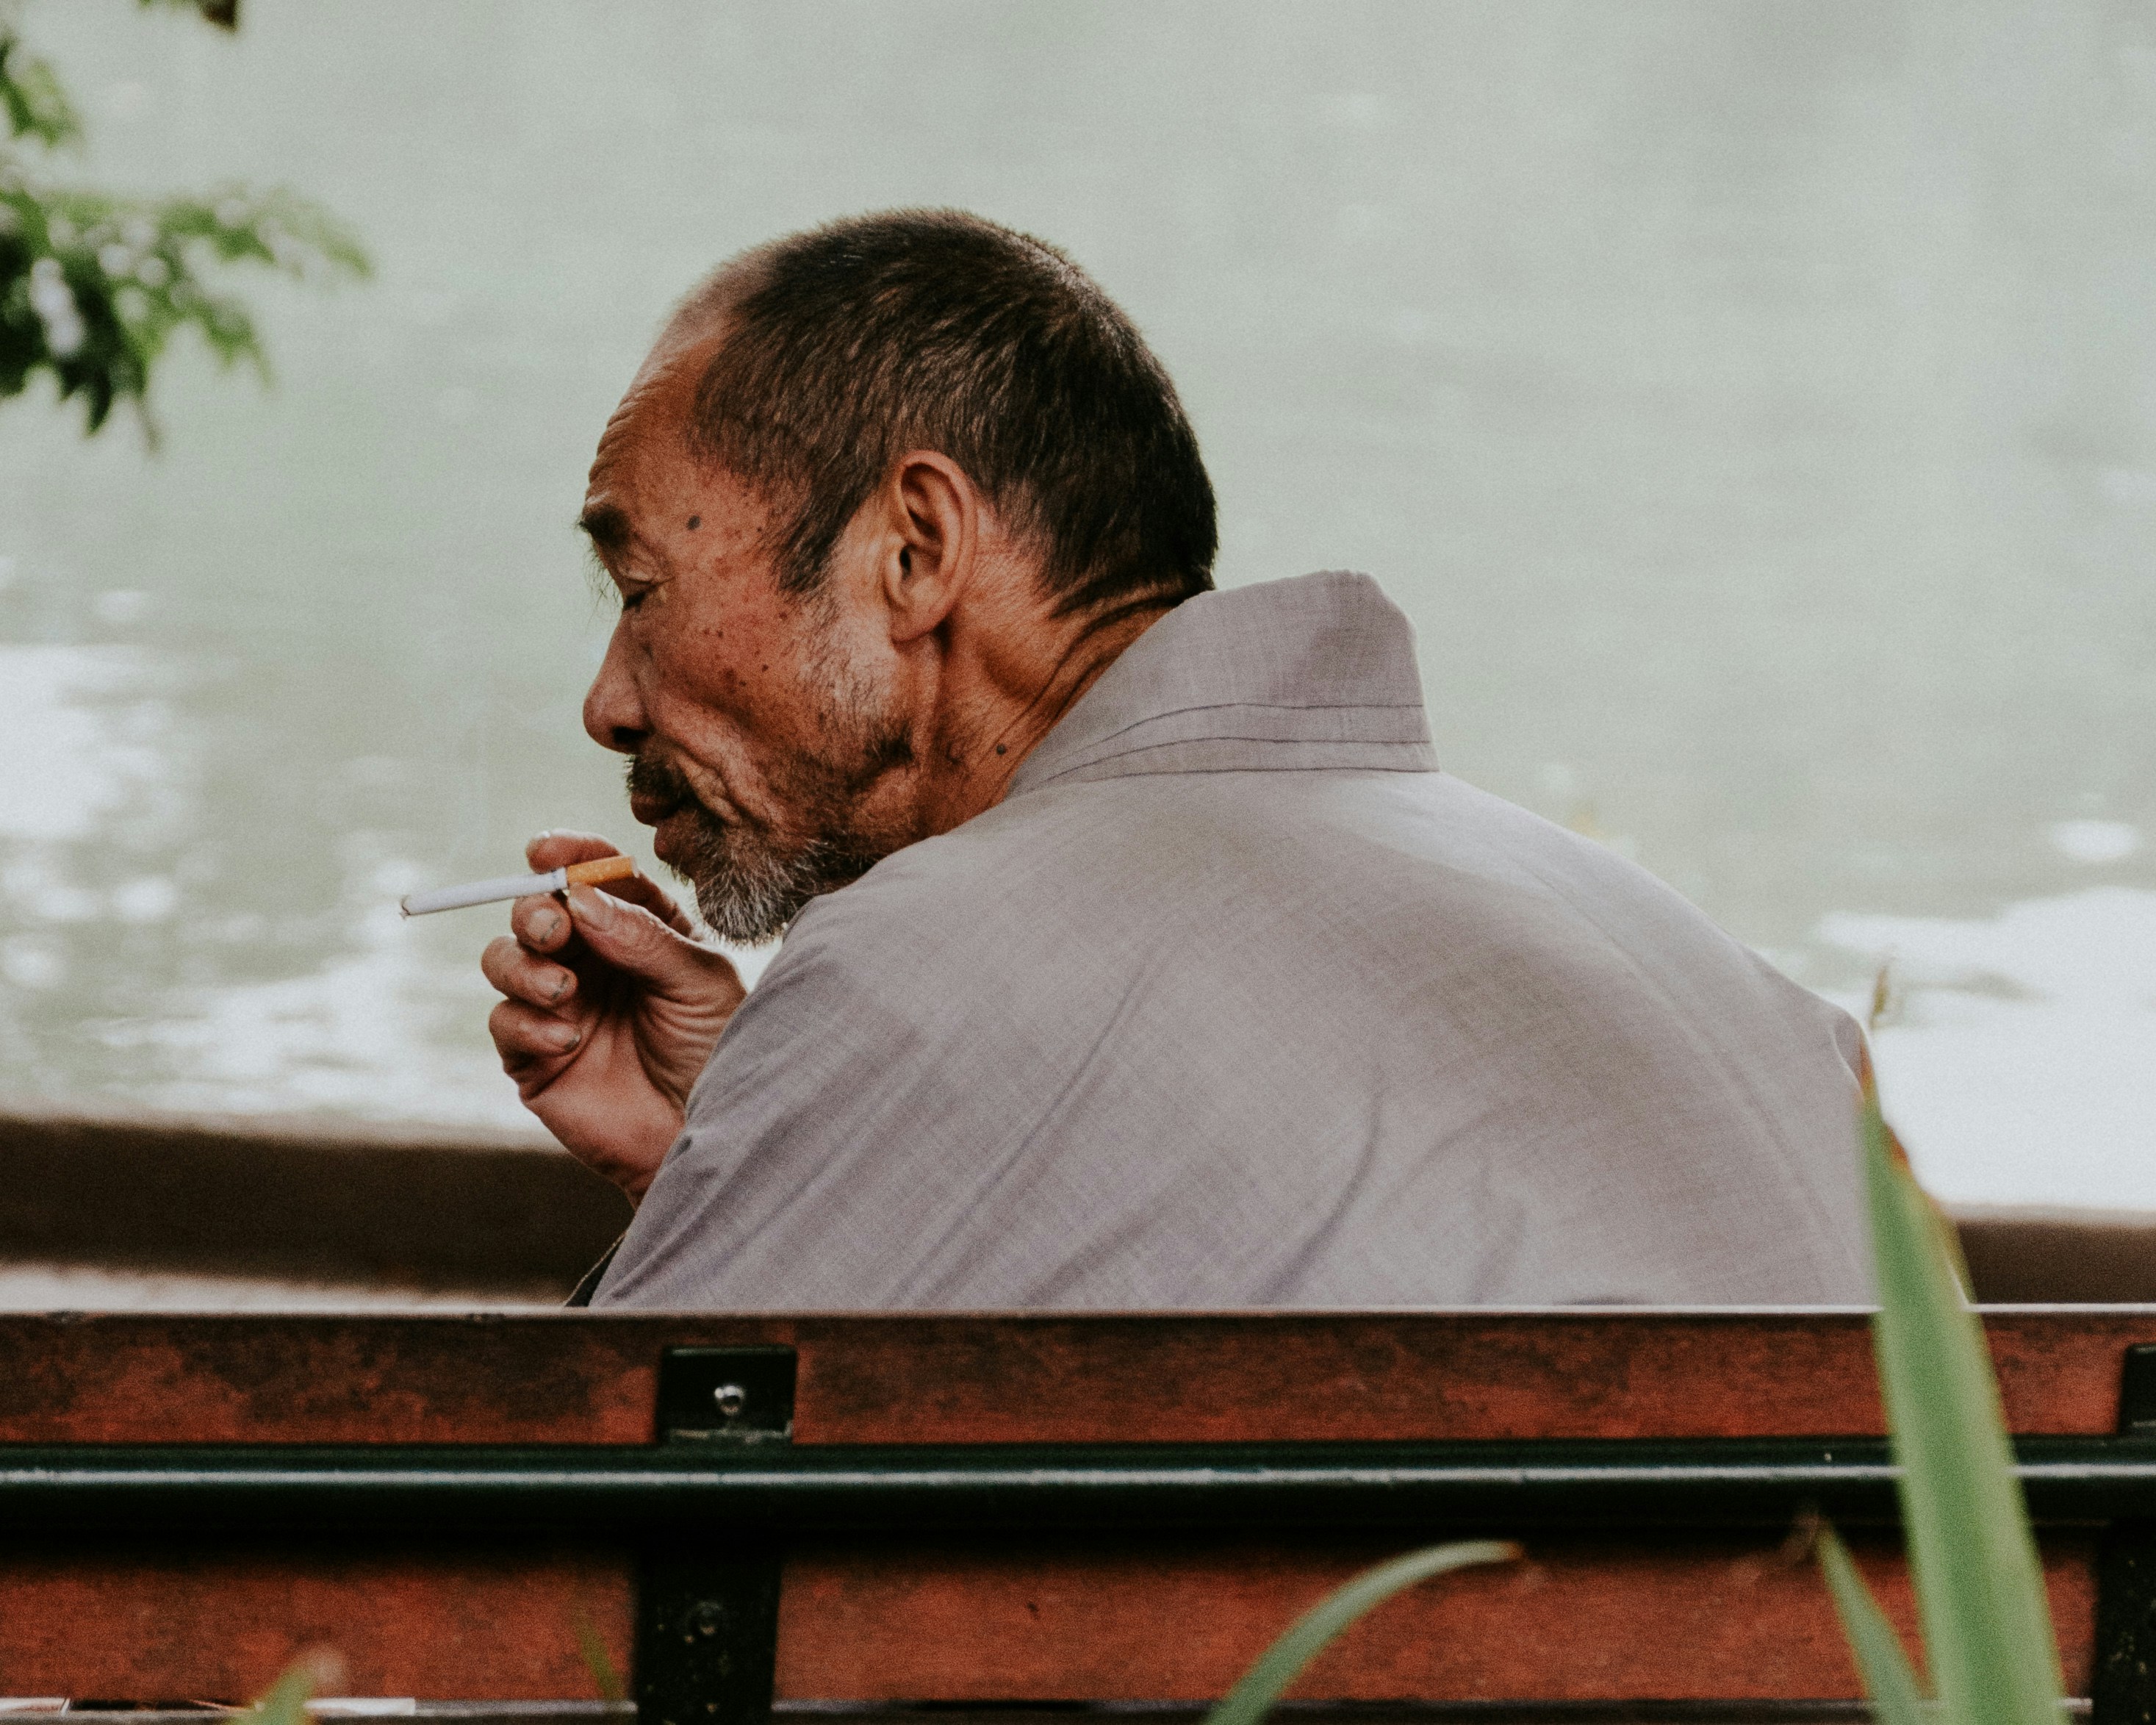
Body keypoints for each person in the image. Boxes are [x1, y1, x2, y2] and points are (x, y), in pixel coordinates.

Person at [481, 208, 1869, 1308]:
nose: (610, 701)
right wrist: (745, 1160)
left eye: (644, 587)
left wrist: (806, 1108)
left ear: (913, 550)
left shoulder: (932, 963)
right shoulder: (1746, 1002)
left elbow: (606, 1578)